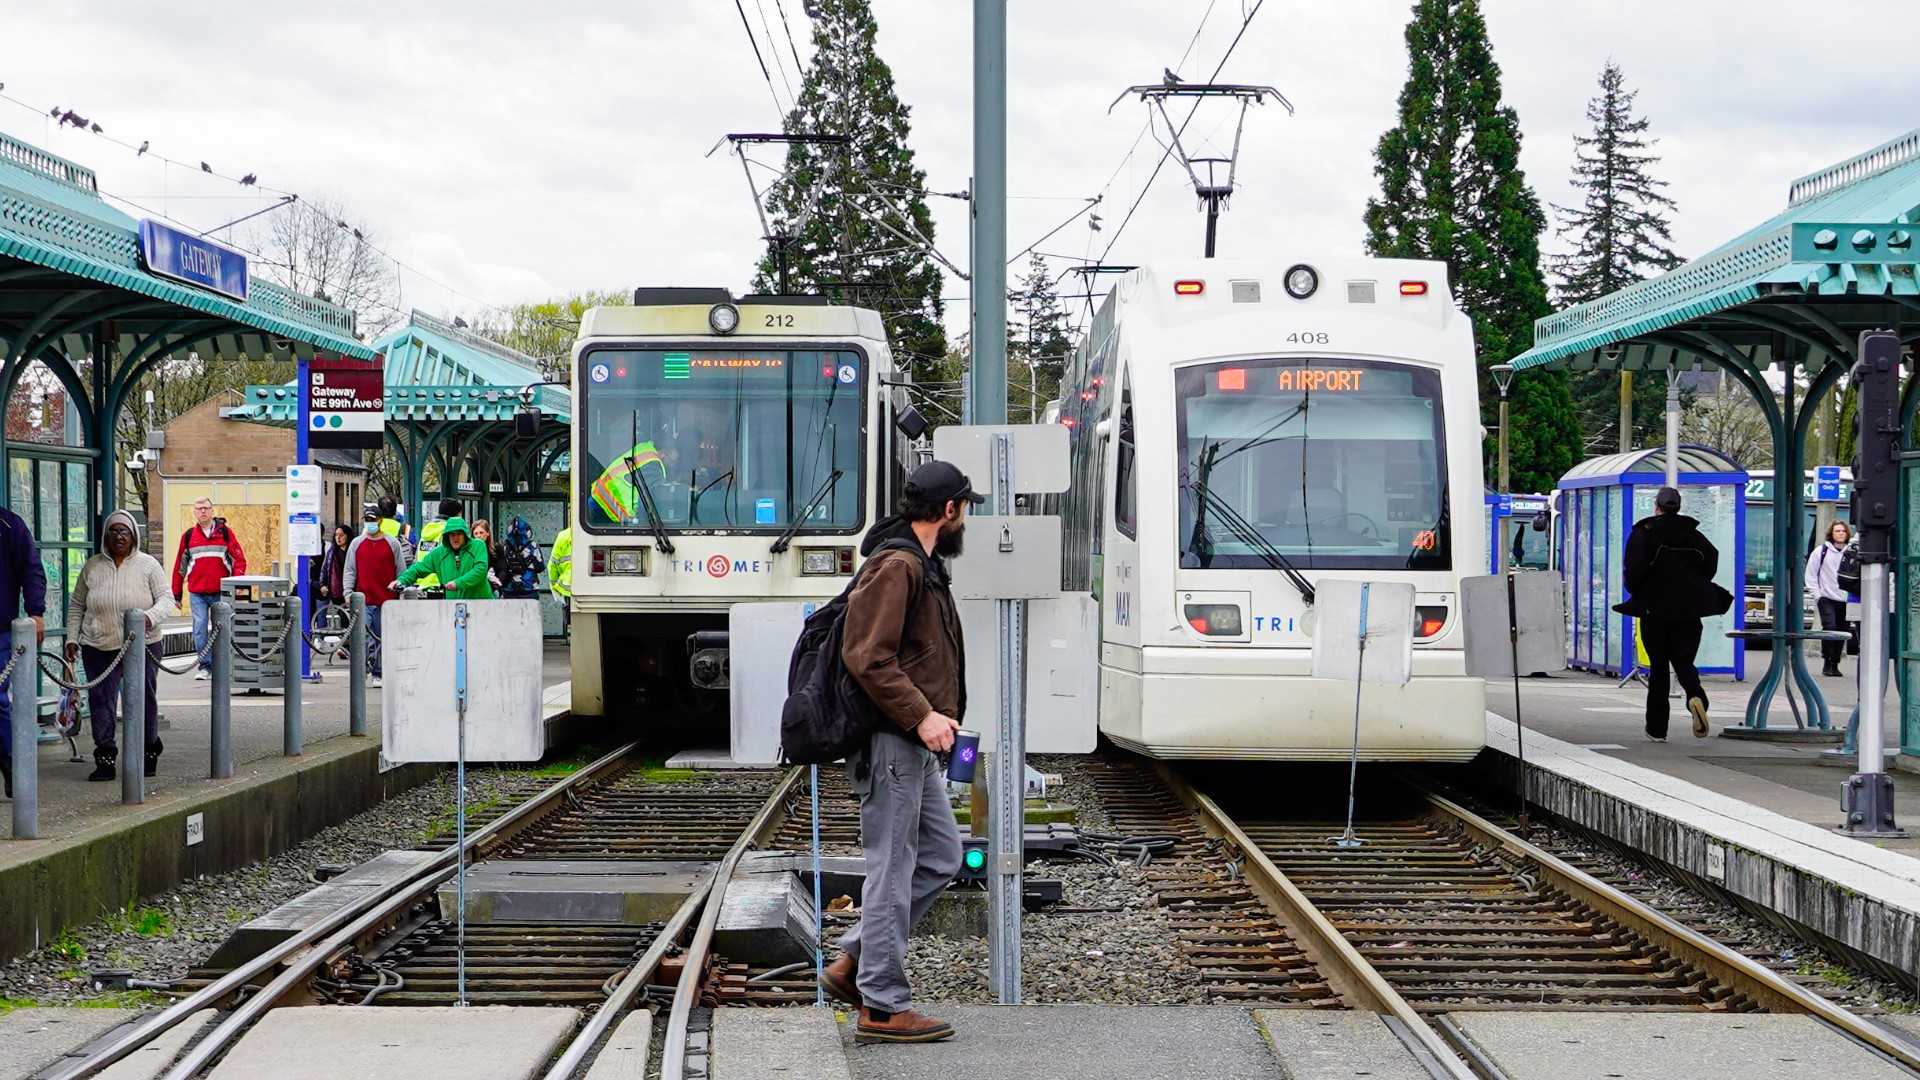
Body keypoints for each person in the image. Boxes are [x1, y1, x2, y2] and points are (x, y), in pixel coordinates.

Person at [820, 460, 983, 1045]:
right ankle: (884, 1006)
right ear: (949, 510)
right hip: (892, 742)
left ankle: (854, 963)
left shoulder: (921, 564)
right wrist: (923, 715)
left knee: (940, 856)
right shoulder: (897, 566)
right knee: (892, 871)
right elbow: (867, 655)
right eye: (966, 507)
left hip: (911, 743)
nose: (966, 517)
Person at [68, 511, 172, 782]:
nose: (118, 537)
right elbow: (77, 604)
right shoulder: (93, 566)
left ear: (133, 536)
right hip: (99, 643)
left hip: (142, 644)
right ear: (106, 536)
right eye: (113, 532)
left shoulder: (148, 565)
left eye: (124, 531)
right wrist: (71, 638)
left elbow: (166, 599)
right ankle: (104, 756)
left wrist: (148, 617)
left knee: (141, 698)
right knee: (101, 701)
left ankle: (148, 749)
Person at [1622, 486, 1717, 741]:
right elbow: (1711, 561)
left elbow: (1632, 571)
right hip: (1689, 609)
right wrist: (1693, 585)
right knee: (1683, 661)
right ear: (1678, 506)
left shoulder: (1643, 533)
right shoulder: (1693, 535)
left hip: (1655, 610)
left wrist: (1641, 592)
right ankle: (1695, 695)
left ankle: (1657, 729)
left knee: (1659, 668)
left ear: (1657, 507)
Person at [0, 504, 47, 799]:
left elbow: (31, 569)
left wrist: (36, 612)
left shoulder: (9, 525)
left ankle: (9, 761)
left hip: (2, 629)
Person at [172, 497, 246, 681]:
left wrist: (235, 584)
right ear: (195, 512)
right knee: (199, 628)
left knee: (222, 628)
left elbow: (239, 560)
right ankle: (205, 666)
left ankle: (223, 664)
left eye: (205, 508)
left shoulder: (225, 534)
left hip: (221, 591)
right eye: (198, 509)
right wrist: (177, 593)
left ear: (212, 511)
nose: (202, 512)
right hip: (197, 592)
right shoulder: (189, 537)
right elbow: (179, 566)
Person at [344, 508, 412, 686]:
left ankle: (378, 672)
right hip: (363, 600)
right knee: (363, 637)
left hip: (387, 600)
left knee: (382, 638)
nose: (369, 522)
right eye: (366, 519)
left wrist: (402, 592)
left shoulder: (392, 543)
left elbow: (401, 570)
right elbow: (350, 570)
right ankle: (363, 669)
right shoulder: (357, 544)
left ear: (380, 520)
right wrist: (348, 592)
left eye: (372, 519)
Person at [396, 517, 492, 600]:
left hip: (481, 604)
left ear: (465, 535)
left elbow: (480, 569)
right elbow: (418, 568)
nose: (456, 538)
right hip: (453, 608)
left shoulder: (478, 545)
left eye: (459, 534)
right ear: (447, 536)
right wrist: (401, 580)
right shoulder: (439, 553)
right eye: (452, 534)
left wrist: (458, 583)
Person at [1805, 520, 1855, 678]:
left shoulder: (1852, 552)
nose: (1841, 533)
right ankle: (1827, 662)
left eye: (1843, 531)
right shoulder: (1821, 551)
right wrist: (1817, 595)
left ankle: (1835, 663)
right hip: (1826, 597)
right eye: (1837, 531)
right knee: (1830, 626)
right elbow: (1811, 574)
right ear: (1831, 534)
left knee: (1842, 631)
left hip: (1846, 598)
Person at [496, 517, 545, 600]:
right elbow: (540, 567)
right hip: (529, 588)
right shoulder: (532, 546)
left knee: (510, 612)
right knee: (531, 612)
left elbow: (501, 567)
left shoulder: (505, 547)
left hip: (509, 588)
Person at [315, 524, 351, 605]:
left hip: (350, 591)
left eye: (341, 535)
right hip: (336, 592)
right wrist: (323, 585)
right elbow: (324, 569)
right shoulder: (332, 552)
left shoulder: (352, 552)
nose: (338, 538)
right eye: (336, 535)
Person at [550, 521, 573, 633]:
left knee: (573, 621)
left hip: (568, 587)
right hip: (593, 587)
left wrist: (554, 586)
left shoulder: (563, 536)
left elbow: (553, 564)